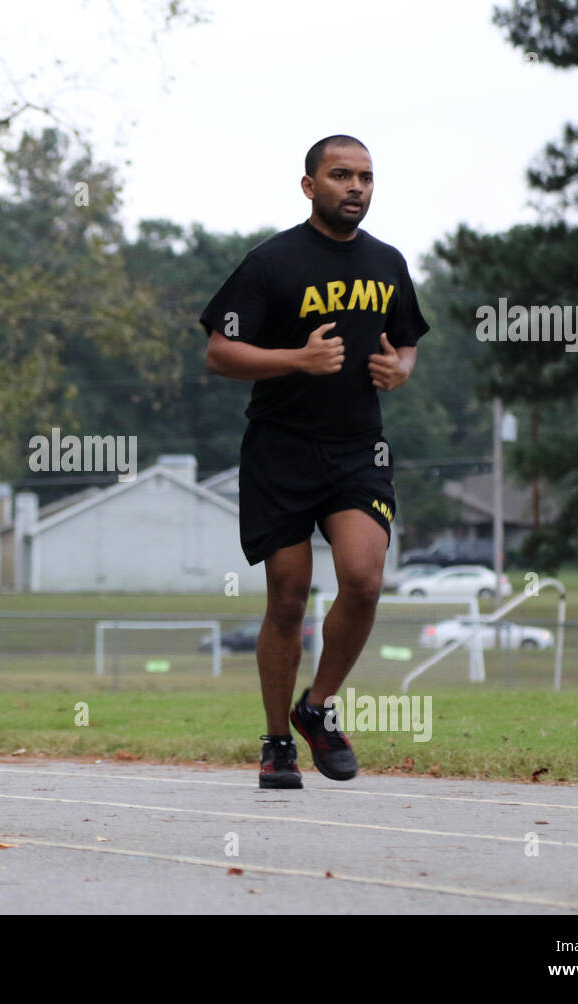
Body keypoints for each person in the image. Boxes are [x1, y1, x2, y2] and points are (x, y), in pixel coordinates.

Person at [199, 135, 429, 789]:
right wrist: (295, 360)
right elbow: (220, 352)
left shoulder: (388, 263)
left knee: (362, 578)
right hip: (279, 448)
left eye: (365, 176)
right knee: (288, 596)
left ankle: (317, 706)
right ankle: (276, 743)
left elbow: (407, 345)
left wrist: (399, 369)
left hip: (358, 448)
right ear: (309, 186)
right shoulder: (271, 262)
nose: (355, 186)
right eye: (340, 175)